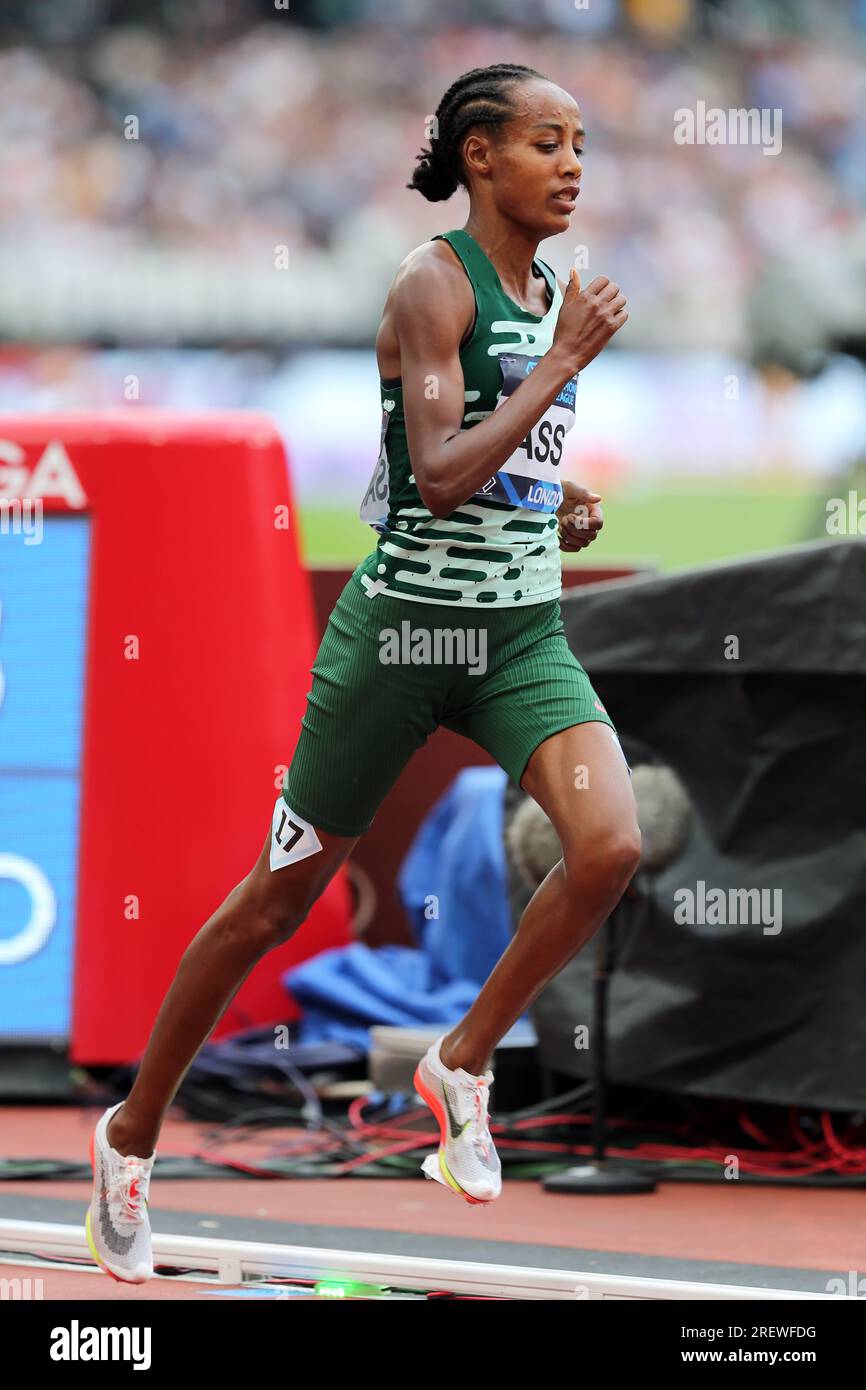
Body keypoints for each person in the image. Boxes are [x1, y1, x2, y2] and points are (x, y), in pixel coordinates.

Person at [86, 61, 640, 1282]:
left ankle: (465, 1058)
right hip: (396, 643)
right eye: (548, 142)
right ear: (478, 155)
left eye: (582, 145)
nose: (572, 166)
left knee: (608, 849)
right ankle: (128, 1138)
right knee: (275, 903)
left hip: (517, 640)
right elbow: (436, 472)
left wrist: (555, 496)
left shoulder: (550, 286)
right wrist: (560, 371)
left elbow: (496, 467)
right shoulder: (426, 286)